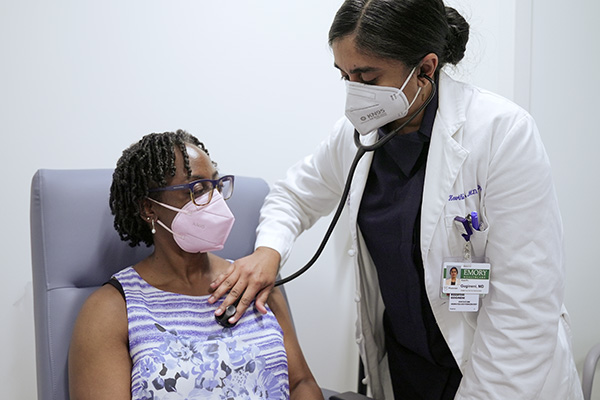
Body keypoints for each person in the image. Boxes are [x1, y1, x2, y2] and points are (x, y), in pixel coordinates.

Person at [208, 1, 584, 399]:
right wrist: (268, 252)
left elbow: (522, 311)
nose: (354, 93)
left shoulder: (501, 135)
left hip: (500, 374)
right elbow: (292, 196)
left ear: (425, 70)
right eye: (344, 76)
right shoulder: (357, 139)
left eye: (366, 78)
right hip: (410, 374)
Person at [68, 130, 324, 400]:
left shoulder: (253, 280)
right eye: (197, 189)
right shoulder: (112, 308)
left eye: (215, 185)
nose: (213, 199)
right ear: (148, 208)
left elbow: (301, 383)